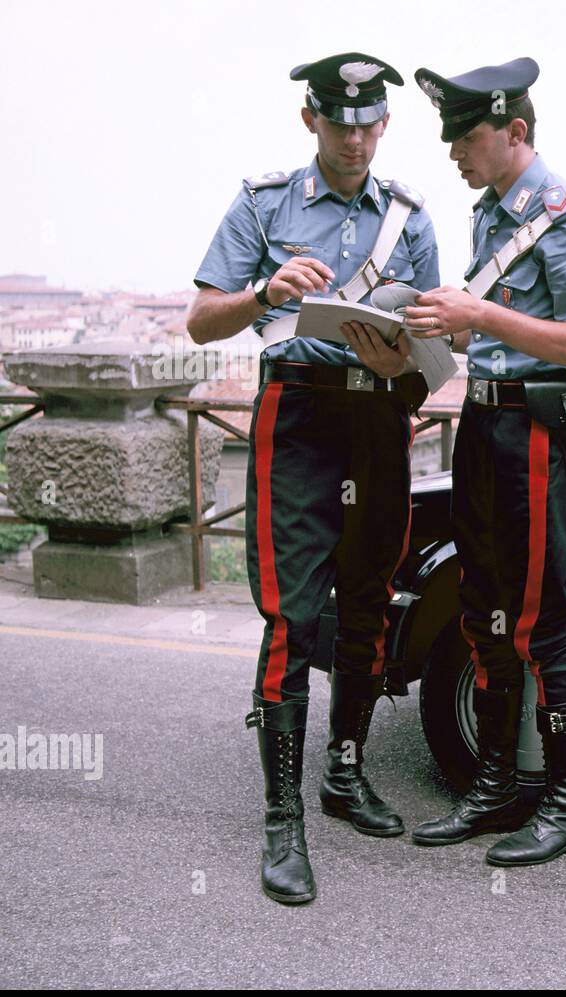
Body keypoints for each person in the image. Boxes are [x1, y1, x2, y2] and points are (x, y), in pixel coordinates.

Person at [345, 56, 566, 867]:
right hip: (486, 426)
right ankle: (495, 784)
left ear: (515, 130)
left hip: (536, 433)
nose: (454, 151)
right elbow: (496, 331)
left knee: (541, 618)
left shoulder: (565, 217)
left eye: (467, 136)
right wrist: (435, 326)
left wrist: (481, 314)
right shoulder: (491, 214)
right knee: (483, 606)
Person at [186, 52, 440, 904]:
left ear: (385, 124)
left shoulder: (410, 219)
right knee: (291, 618)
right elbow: (200, 320)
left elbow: (434, 355)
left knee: (368, 601)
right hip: (295, 418)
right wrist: (265, 292)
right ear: (311, 120)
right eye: (340, 123)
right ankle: (281, 815)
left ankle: (345, 771)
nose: (355, 139)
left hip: (377, 419)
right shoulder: (265, 203)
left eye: (369, 124)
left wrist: (405, 360)